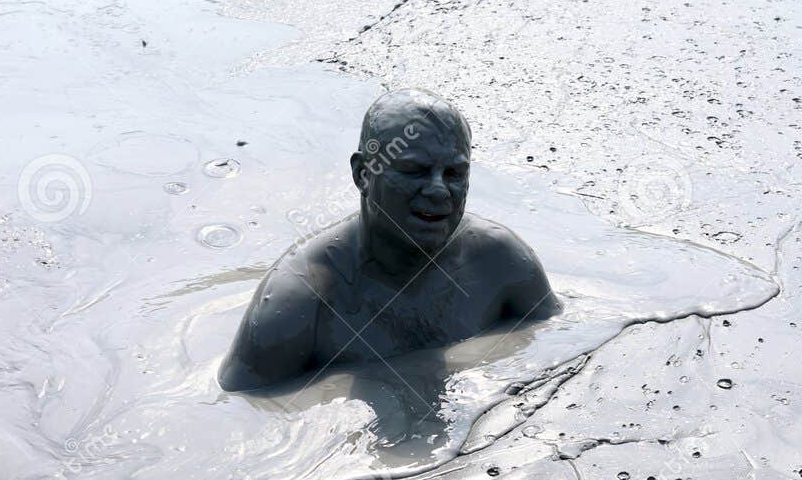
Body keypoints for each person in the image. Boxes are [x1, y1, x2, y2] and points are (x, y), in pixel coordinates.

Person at [218, 89, 561, 392]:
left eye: (455, 173)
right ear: (362, 175)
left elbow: (559, 346)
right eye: (414, 171)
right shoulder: (297, 304)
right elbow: (243, 415)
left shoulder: (502, 262)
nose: (440, 190)